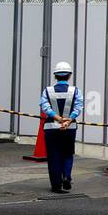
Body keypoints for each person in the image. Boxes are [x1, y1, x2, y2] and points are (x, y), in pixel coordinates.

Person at [39, 61, 83, 193]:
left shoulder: (47, 91)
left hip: (51, 128)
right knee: (68, 154)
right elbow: (78, 107)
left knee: (54, 156)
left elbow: (45, 107)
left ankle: (56, 185)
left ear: (55, 76)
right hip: (69, 129)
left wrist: (57, 118)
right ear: (69, 75)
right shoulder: (75, 91)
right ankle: (67, 177)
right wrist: (68, 121)